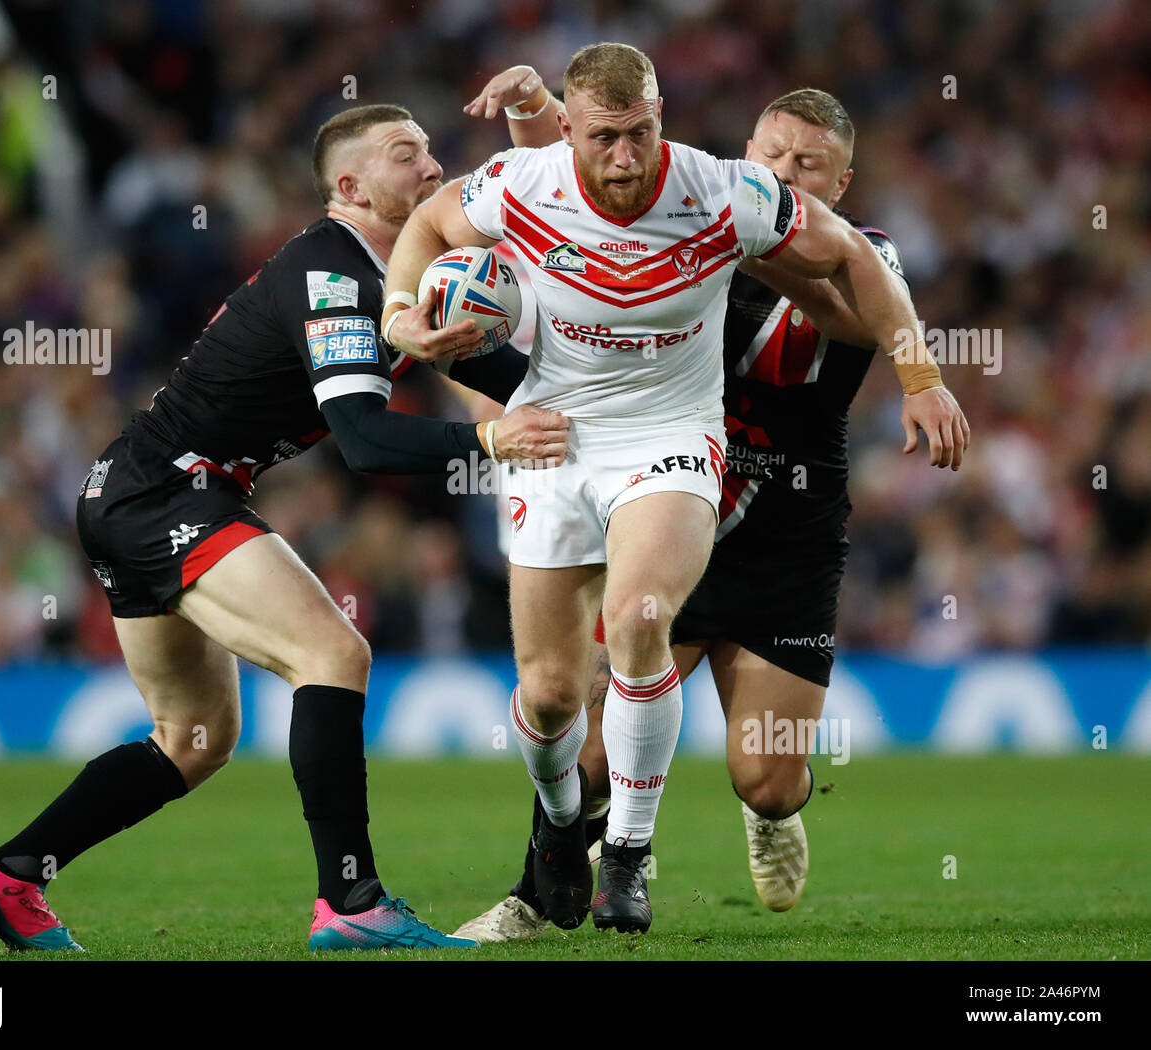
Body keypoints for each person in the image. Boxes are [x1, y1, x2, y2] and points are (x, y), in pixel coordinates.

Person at [0, 104, 568, 953]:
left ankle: (12, 873)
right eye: (405, 156)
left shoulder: (405, 281)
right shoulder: (333, 271)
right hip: (167, 493)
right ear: (349, 187)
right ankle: (351, 904)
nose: (432, 170)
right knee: (334, 654)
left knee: (194, 740)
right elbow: (365, 440)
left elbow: (527, 376)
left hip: (133, 492)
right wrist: (490, 440)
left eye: (430, 151)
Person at [382, 42, 963, 935]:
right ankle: (548, 893)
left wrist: (920, 373)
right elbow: (569, 185)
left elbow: (844, 310)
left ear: (841, 184)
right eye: (772, 153)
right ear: (747, 145)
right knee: (575, 719)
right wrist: (540, 114)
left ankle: (768, 814)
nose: (783, 172)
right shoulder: (704, 206)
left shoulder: (830, 248)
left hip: (781, 524)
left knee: (762, 776)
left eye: (809, 166)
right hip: (661, 490)